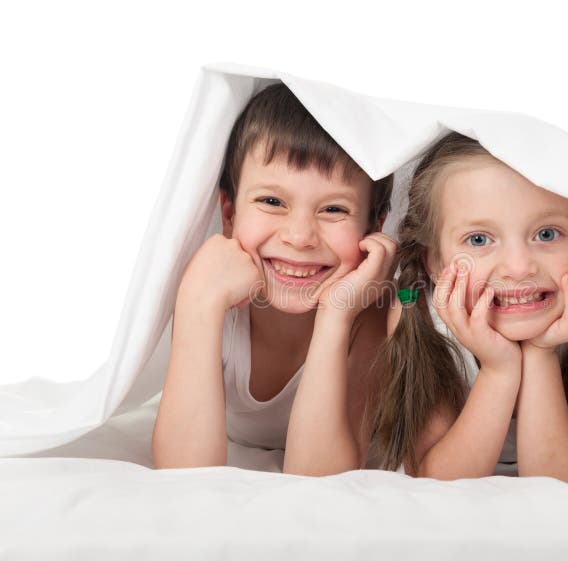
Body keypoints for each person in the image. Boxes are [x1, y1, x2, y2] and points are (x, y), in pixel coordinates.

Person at [368, 132, 568, 483]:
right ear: (434, 263)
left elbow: (566, 484)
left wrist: (541, 352)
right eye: (479, 240)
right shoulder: (419, 313)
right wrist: (498, 370)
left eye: (546, 234)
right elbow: (436, 479)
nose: (518, 267)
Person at [152, 83, 396, 475]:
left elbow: (316, 477)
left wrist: (336, 316)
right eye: (271, 202)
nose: (299, 237)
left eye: (334, 209)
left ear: (374, 225)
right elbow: (185, 474)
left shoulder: (370, 315)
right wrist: (198, 300)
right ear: (228, 213)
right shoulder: (209, 290)